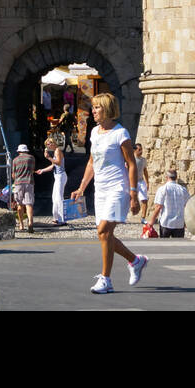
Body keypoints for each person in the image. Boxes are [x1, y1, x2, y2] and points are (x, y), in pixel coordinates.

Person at [71, 93, 147, 294]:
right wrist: (81, 187)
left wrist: (133, 194)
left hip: (118, 188)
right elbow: (91, 162)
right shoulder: (95, 132)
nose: (93, 111)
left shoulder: (121, 134)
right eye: (93, 107)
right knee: (105, 235)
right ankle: (135, 260)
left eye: (97, 108)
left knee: (104, 231)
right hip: (101, 189)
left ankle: (106, 280)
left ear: (107, 109)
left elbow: (131, 165)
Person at [148, 169, 189, 237]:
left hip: (166, 222)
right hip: (179, 223)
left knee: (164, 245)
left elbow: (158, 206)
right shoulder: (183, 189)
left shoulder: (163, 189)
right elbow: (188, 205)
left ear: (166, 177)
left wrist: (151, 222)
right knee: (179, 246)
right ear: (176, 177)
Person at [37, 138, 67, 225]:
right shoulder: (55, 151)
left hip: (60, 176)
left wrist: (48, 157)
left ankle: (62, 220)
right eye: (47, 144)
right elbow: (53, 166)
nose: (48, 146)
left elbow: (58, 162)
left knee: (59, 198)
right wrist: (42, 170)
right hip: (58, 176)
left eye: (49, 144)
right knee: (55, 197)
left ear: (53, 143)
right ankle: (56, 218)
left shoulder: (57, 151)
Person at [11, 144, 36, 232]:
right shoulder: (31, 158)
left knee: (19, 204)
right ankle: (30, 222)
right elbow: (32, 170)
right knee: (29, 204)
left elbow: (13, 175)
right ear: (26, 150)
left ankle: (21, 224)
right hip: (29, 182)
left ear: (18, 151)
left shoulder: (15, 160)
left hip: (18, 183)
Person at [133, 144, 150, 215]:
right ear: (135, 150)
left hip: (141, 181)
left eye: (141, 149)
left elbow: (145, 170)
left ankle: (143, 217)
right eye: (139, 149)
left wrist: (147, 182)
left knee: (144, 199)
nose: (141, 151)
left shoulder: (143, 160)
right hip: (132, 182)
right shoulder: (131, 159)